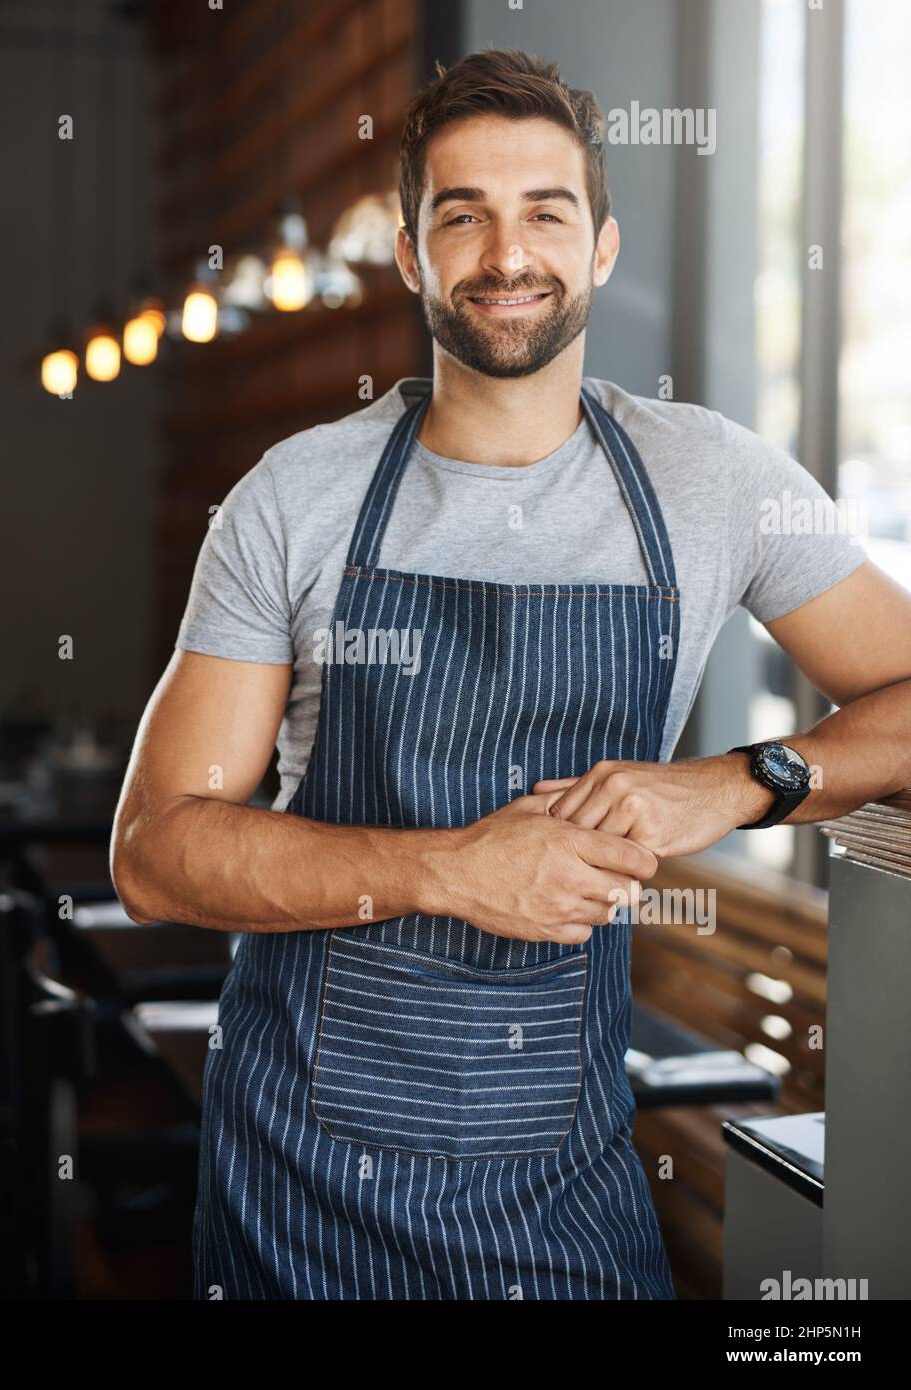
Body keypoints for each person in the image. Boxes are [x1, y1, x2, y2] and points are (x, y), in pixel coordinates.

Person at [111, 48, 911, 1300]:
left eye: (543, 210)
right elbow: (156, 853)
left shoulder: (712, 484)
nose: (505, 252)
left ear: (597, 246)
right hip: (301, 1178)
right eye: (460, 214)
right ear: (412, 255)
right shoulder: (293, 497)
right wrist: (447, 869)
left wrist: (733, 783)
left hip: (562, 1170)